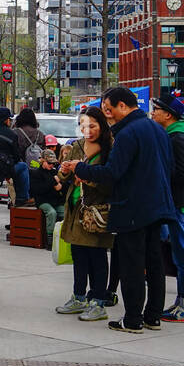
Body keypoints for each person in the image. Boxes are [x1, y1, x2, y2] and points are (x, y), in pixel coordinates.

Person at [63, 87, 177, 334]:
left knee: (132, 264)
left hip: (133, 207)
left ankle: (133, 318)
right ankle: (153, 316)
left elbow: (112, 173)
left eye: (109, 109)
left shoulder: (127, 133)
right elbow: (170, 168)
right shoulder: (157, 129)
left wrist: (79, 168)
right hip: (157, 204)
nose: (108, 115)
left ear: (123, 106)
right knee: (154, 261)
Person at [54, 107, 115, 322]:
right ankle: (79, 297)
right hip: (76, 208)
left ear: (102, 125)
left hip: (97, 211)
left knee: (97, 256)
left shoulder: (110, 148)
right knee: (78, 255)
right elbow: (62, 176)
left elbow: (111, 181)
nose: (87, 130)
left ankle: (98, 301)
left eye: (92, 126)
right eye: (83, 125)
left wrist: (85, 175)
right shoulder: (77, 145)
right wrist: (65, 170)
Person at [150, 95, 184, 322]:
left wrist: (162, 182)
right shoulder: (179, 135)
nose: (153, 113)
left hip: (182, 205)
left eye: (157, 110)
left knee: (183, 255)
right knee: (180, 253)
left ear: (168, 115)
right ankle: (183, 302)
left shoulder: (177, 138)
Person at [28, 135, 65, 251]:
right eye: (49, 163)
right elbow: (38, 190)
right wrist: (54, 183)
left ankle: (62, 238)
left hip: (55, 200)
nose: (51, 165)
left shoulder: (54, 171)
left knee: (65, 212)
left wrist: (59, 186)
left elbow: (61, 186)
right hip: (42, 200)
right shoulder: (36, 173)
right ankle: (50, 239)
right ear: (42, 161)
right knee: (51, 213)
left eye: (53, 163)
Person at [11, 108, 45, 205]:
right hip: (37, 168)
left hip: (22, 170)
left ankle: (22, 199)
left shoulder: (16, 133)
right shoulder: (40, 134)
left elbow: (15, 152)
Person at [0, 107, 22, 201]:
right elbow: (16, 156)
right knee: (23, 167)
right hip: (5, 168)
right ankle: (22, 197)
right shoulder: (12, 135)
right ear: (6, 120)